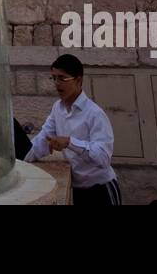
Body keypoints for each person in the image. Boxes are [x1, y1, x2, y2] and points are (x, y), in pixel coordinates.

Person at [23, 54, 121, 206]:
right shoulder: (58, 108)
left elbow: (103, 157)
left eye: (62, 78)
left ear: (79, 80)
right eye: (54, 78)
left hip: (101, 190)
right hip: (77, 190)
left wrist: (70, 142)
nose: (57, 84)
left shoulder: (94, 113)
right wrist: (21, 159)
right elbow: (43, 139)